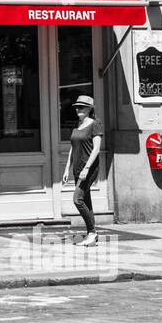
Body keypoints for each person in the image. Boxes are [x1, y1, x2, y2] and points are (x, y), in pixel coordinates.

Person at [61, 94, 103, 247]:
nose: (78, 109)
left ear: (89, 109)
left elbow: (96, 149)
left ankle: (92, 232)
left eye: (82, 107)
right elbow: (73, 148)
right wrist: (67, 169)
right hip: (77, 168)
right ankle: (91, 234)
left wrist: (86, 168)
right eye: (77, 107)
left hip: (89, 168)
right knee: (86, 200)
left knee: (77, 199)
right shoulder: (77, 126)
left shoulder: (95, 124)